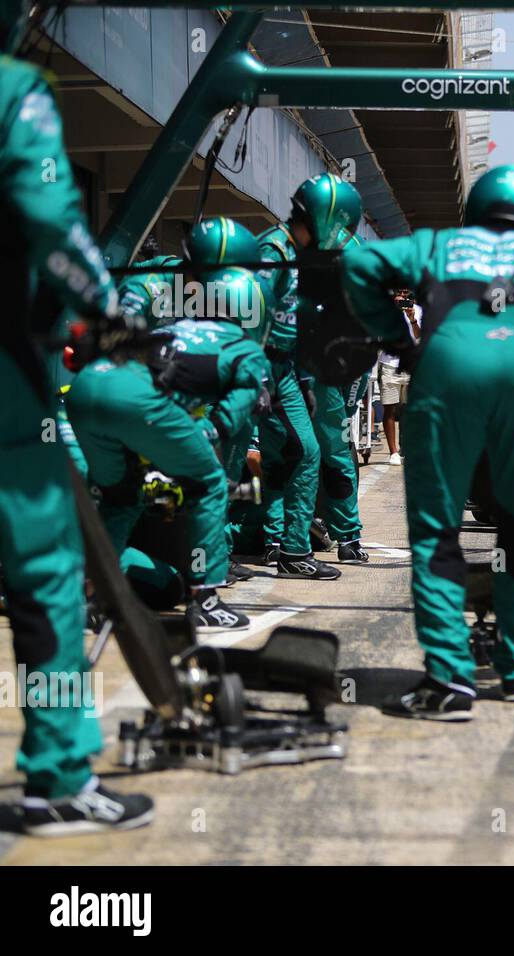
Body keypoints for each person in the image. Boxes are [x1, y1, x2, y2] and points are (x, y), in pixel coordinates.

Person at [338, 164, 514, 719]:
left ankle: (450, 682)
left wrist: (400, 341)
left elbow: (358, 262)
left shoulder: (441, 243)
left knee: (437, 530)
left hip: (452, 368)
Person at [1, 19, 153, 832]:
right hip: (8, 382)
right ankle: (58, 779)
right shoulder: (15, 93)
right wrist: (108, 306)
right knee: (49, 580)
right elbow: (50, 220)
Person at [66, 218, 270, 632]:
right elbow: (228, 415)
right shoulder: (244, 348)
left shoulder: (172, 328)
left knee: (122, 498)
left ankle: (92, 597)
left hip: (85, 392)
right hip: (136, 402)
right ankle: (207, 597)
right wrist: (209, 435)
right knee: (210, 483)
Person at [256, 172, 362, 579]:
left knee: (307, 452)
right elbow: (252, 314)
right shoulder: (275, 250)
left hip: (288, 368)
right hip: (262, 366)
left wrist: (300, 380)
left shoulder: (298, 252)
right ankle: (278, 547)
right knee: (283, 456)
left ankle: (289, 547)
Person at [310, 231, 372, 564]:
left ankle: (346, 535)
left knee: (334, 454)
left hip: (328, 383)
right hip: (292, 381)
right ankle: (282, 535)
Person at [378, 297, 418, 464]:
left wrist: (412, 319)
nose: (402, 299)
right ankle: (393, 452)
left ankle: (408, 448)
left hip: (410, 364)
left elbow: (419, 336)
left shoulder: (419, 310)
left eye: (406, 295)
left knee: (411, 410)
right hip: (389, 364)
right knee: (390, 409)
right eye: (398, 294)